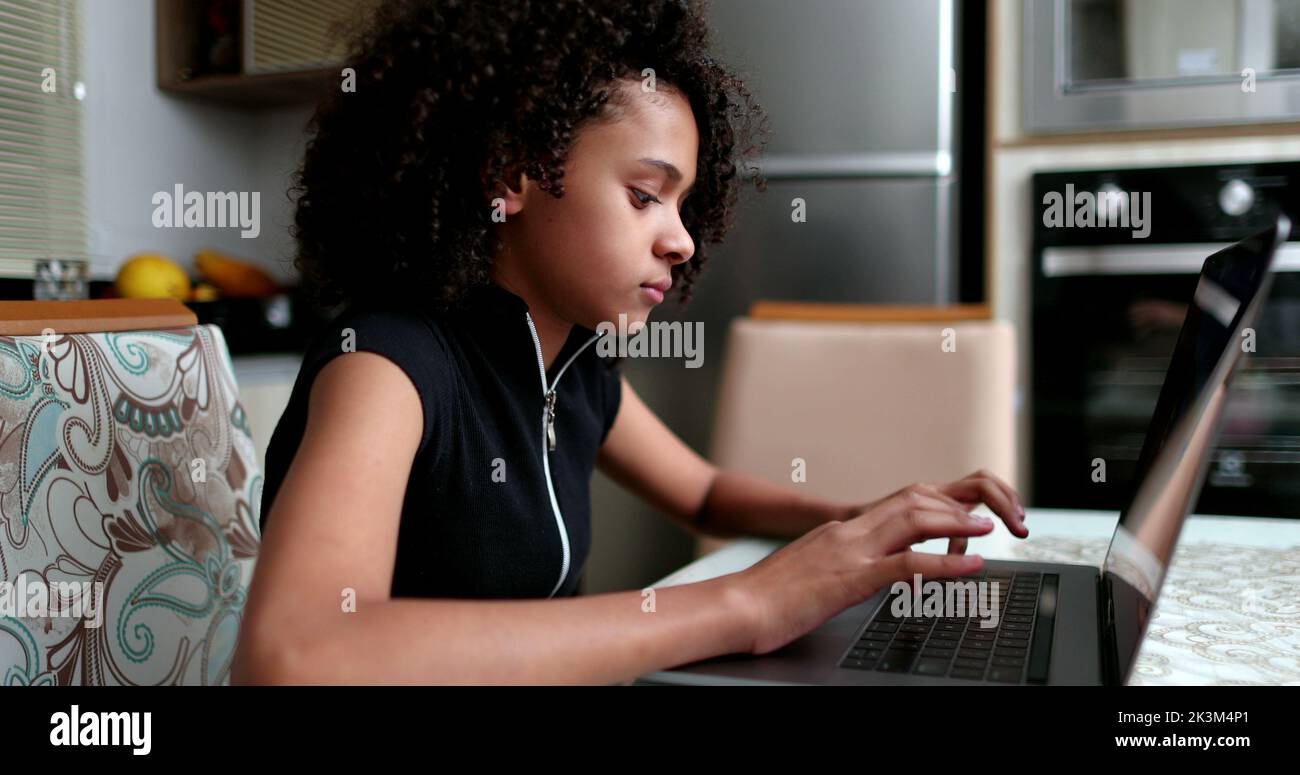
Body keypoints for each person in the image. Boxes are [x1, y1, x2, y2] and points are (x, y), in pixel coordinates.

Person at [232, 0, 1028, 685]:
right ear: (512, 174)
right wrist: (745, 602)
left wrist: (852, 522)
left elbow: (706, 493)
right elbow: (296, 654)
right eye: (646, 195)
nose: (681, 241)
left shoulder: (575, 366)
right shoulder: (387, 364)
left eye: (683, 205)